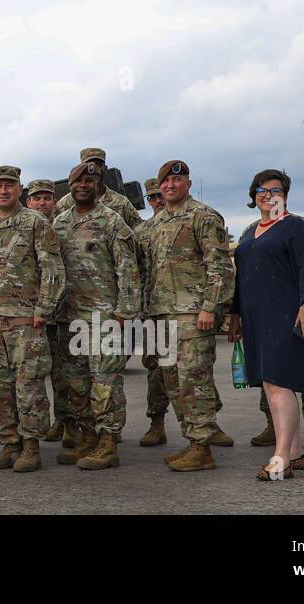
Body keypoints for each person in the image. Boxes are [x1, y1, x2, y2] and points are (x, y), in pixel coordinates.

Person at [139, 159, 234, 472]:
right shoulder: (152, 226)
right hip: (160, 315)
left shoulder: (204, 217)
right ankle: (192, 441)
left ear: (188, 184)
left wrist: (210, 305)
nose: (170, 186)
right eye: (165, 182)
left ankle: (203, 447)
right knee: (174, 384)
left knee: (195, 381)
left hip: (192, 314)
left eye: (177, 181)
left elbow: (219, 265)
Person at [228, 170, 304, 480]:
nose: (267, 195)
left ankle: (281, 459)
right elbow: (241, 278)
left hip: (286, 314)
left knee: (279, 382)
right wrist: (235, 315)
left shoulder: (296, 228)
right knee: (272, 384)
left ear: (285, 195)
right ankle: (294, 451)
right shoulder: (248, 232)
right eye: (260, 190)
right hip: (255, 317)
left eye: (274, 190)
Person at [0, 165, 65, 473]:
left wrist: (43, 309)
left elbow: (52, 268)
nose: (4, 190)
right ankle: (9, 444)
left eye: (10, 185)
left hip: (26, 321)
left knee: (29, 387)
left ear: (19, 189)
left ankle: (31, 446)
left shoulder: (35, 222)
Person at [52, 162, 139, 470]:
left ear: (99, 186)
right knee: (76, 384)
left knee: (105, 384)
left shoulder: (112, 221)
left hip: (105, 317)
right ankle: (86, 437)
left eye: (90, 180)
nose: (84, 185)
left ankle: (108, 443)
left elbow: (128, 268)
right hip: (70, 318)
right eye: (78, 180)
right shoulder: (59, 224)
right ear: (71, 186)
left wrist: (125, 313)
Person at [27, 178, 72, 447]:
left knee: (64, 373)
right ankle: (49, 422)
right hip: (35, 314)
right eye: (37, 198)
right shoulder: (25, 225)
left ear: (54, 200)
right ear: (29, 201)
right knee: (37, 373)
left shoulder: (65, 224)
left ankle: (67, 423)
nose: (42, 202)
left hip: (64, 312)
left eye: (47, 197)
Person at [135, 176, 178, 447]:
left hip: (183, 310)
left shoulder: (188, 222)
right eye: (152, 197)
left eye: (159, 196)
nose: (157, 201)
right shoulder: (141, 232)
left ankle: (207, 425)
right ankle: (157, 423)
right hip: (152, 312)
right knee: (156, 371)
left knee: (194, 371)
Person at [56, 147, 144, 230]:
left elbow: (140, 232)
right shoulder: (65, 203)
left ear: (105, 168)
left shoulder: (121, 203)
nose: (94, 168)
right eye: (89, 165)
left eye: (98, 164)